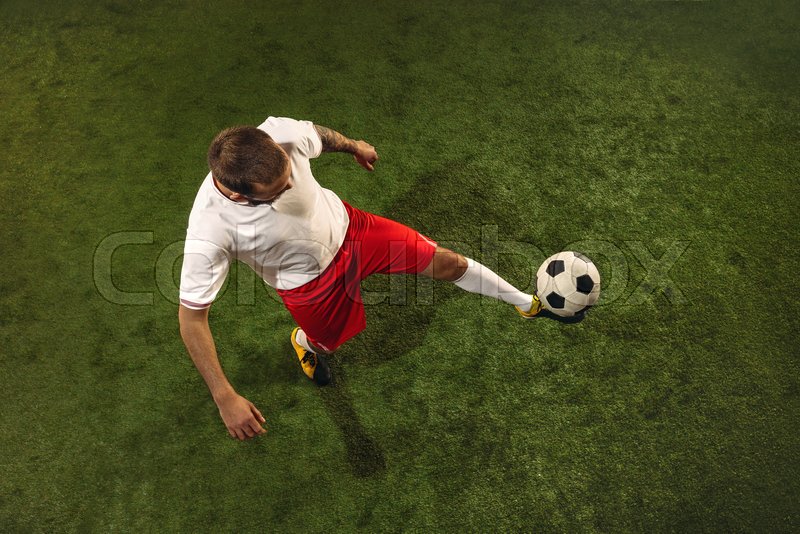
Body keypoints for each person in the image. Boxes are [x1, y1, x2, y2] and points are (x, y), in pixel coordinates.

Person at [178, 116, 542, 441]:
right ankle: (306, 343)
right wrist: (224, 396)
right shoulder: (210, 230)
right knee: (328, 344)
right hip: (309, 285)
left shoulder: (280, 134)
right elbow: (191, 319)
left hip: (354, 230)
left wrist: (356, 146)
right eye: (279, 191)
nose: (291, 187)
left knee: (447, 263)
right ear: (241, 197)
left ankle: (526, 304)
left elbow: (319, 136)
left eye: (290, 175)